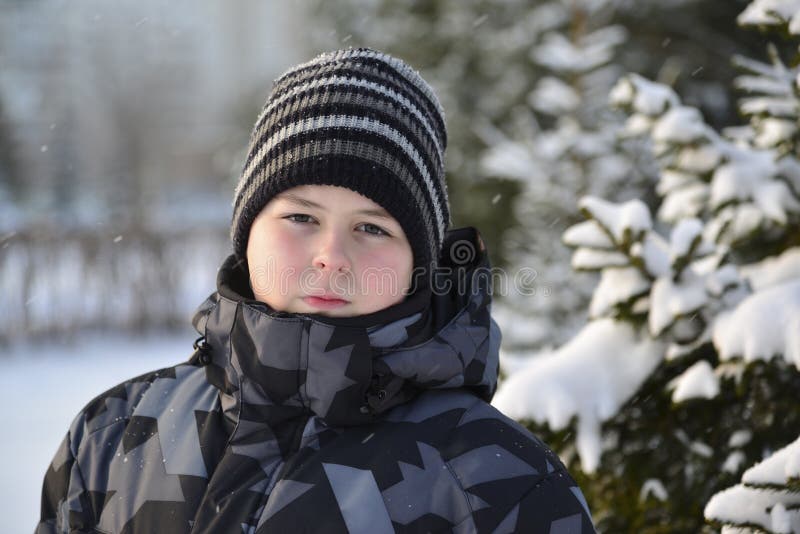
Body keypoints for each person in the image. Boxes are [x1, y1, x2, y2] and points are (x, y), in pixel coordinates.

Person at [36, 47, 595, 534]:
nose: (331, 255)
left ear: (418, 262)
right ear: (246, 233)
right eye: (301, 217)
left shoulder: (497, 485)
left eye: (372, 227)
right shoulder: (113, 436)